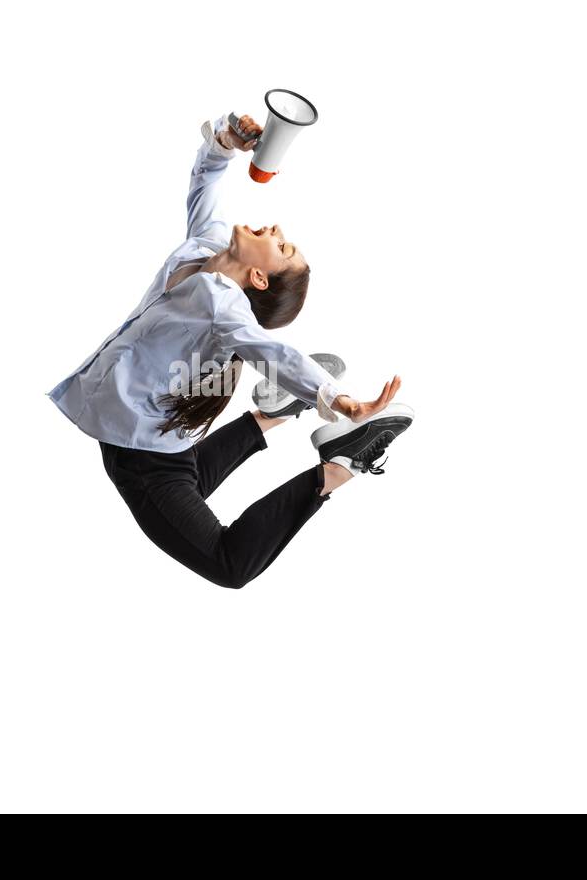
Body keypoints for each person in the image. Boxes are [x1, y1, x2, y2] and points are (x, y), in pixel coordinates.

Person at [47, 110, 414, 589]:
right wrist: (225, 143)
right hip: (160, 441)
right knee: (189, 483)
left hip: (144, 457)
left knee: (230, 564)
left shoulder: (225, 307)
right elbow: (205, 185)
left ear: (259, 278)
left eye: (283, 247)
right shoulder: (209, 243)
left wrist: (335, 399)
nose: (277, 228)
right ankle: (274, 413)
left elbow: (270, 351)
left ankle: (339, 466)